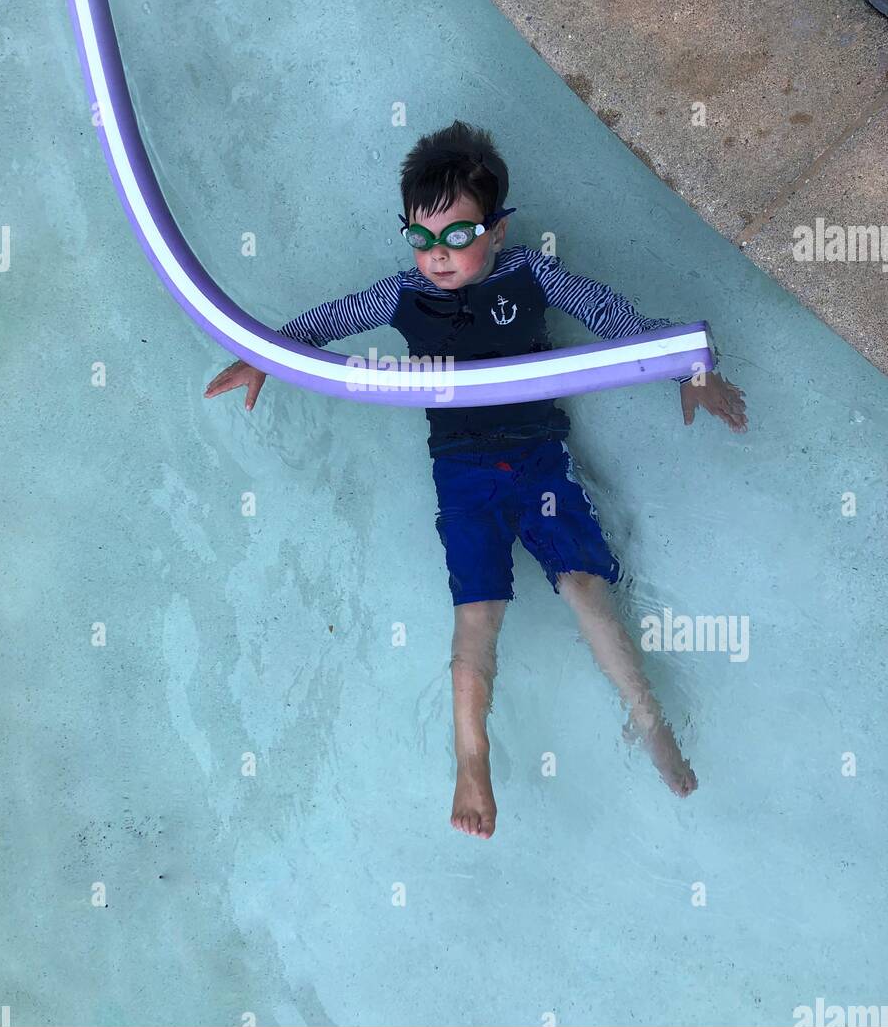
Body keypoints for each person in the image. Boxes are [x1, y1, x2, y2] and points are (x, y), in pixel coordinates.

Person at [205, 120, 747, 839]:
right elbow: (327, 323)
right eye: (421, 239)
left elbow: (610, 316)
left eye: (457, 237)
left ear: (496, 230)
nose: (437, 257)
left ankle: (644, 714)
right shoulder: (400, 295)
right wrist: (263, 358)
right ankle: (472, 756)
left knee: (583, 587)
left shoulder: (532, 274)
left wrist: (686, 366)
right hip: (462, 473)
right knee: (476, 617)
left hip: (538, 460)